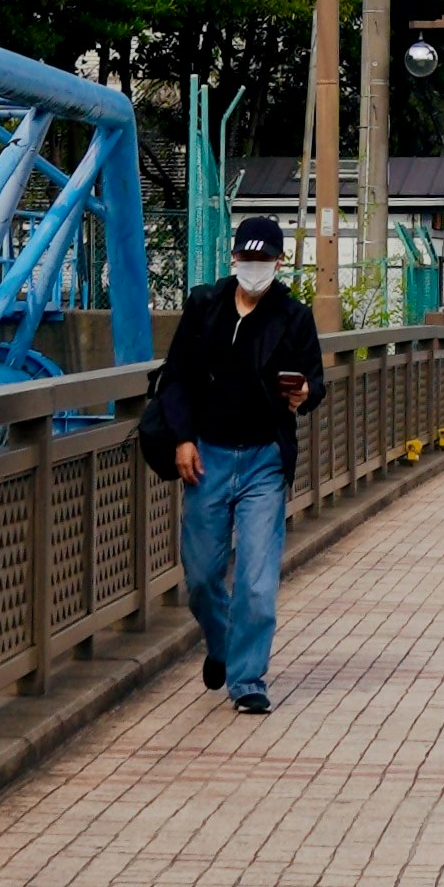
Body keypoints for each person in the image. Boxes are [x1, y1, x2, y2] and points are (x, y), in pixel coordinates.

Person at [145, 208, 326, 713]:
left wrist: (305, 392)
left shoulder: (293, 317)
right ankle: (223, 644)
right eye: (247, 257)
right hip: (207, 455)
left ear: (278, 262)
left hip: (264, 459)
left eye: (264, 258)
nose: (254, 266)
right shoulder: (206, 306)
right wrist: (183, 439)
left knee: (255, 580)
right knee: (201, 576)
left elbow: (316, 381)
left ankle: (247, 679)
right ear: (234, 257)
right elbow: (175, 377)